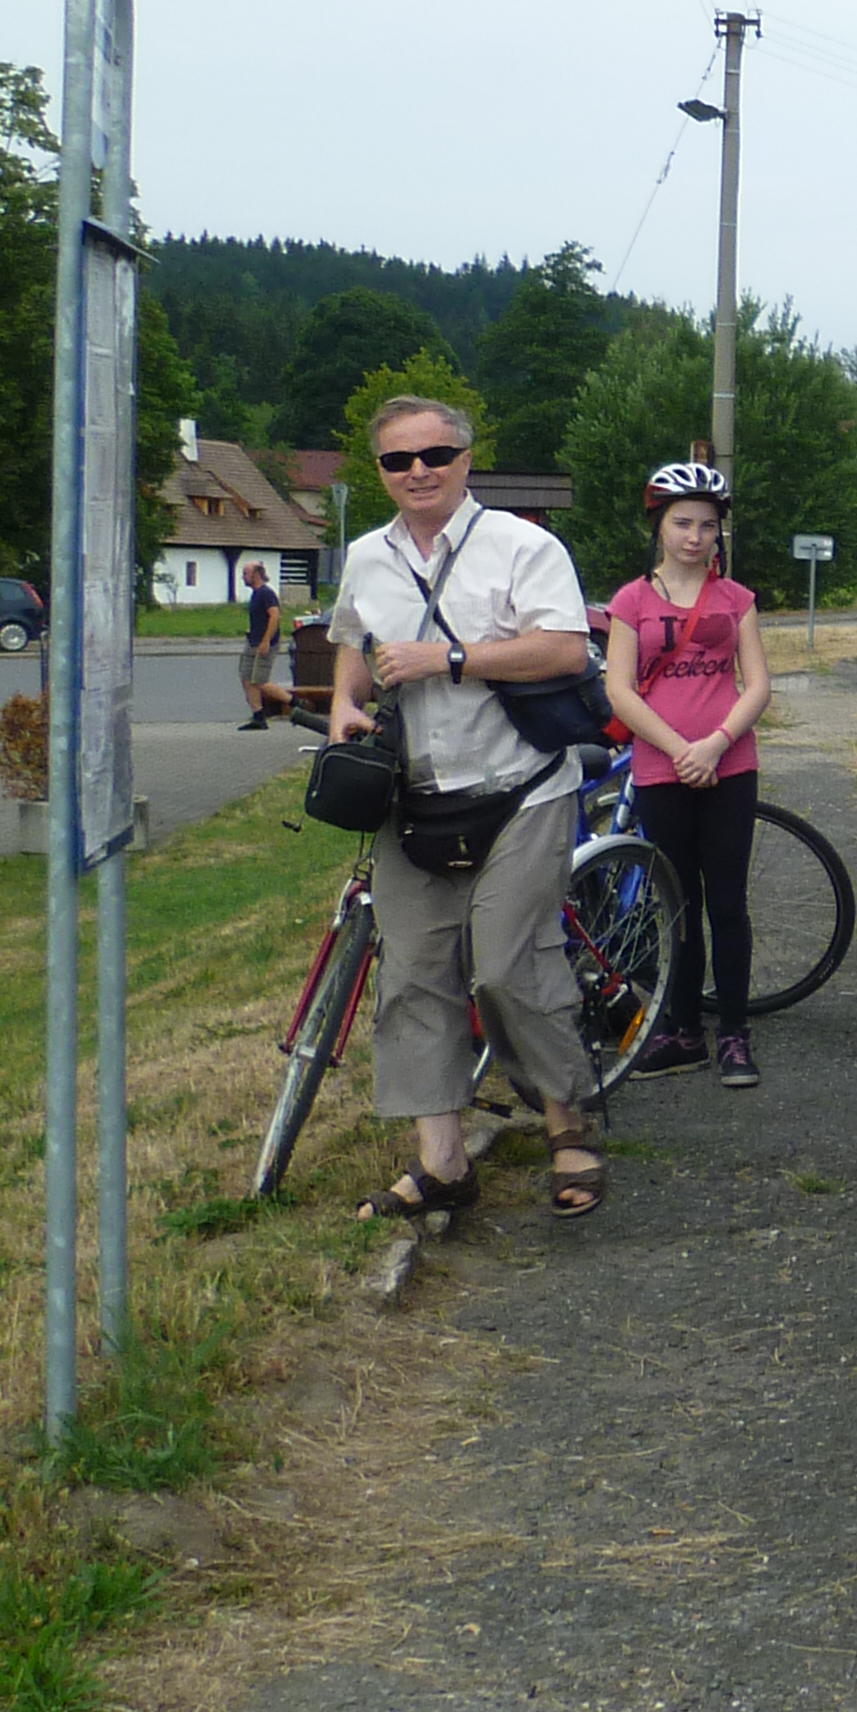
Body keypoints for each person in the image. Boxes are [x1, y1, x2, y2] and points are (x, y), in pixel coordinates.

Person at [326, 396, 609, 1220]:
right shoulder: (366, 557)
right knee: (412, 980)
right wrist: (347, 701)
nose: (418, 471)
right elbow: (352, 639)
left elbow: (563, 647)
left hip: (520, 790)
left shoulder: (524, 546)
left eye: (435, 454)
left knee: (505, 970)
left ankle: (568, 1122)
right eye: (397, 460)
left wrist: (448, 658)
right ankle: (444, 1165)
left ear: (465, 458)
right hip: (413, 800)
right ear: (379, 471)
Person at [600, 459, 774, 1088]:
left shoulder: (737, 600)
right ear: (659, 527)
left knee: (727, 904)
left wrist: (717, 744)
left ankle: (733, 1034)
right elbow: (618, 690)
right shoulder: (632, 601)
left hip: (730, 767)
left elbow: (757, 685)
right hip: (661, 768)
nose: (695, 537)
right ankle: (680, 1031)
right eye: (682, 524)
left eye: (707, 525)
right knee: (677, 904)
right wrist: (681, 750)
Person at [236, 561, 285, 729]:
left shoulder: (266, 593)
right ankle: (258, 716)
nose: (243, 577)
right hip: (253, 642)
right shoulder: (256, 594)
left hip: (265, 644)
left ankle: (295, 703)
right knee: (246, 678)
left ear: (256, 574)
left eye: (245, 573)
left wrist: (265, 641)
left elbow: (275, 616)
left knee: (260, 681)